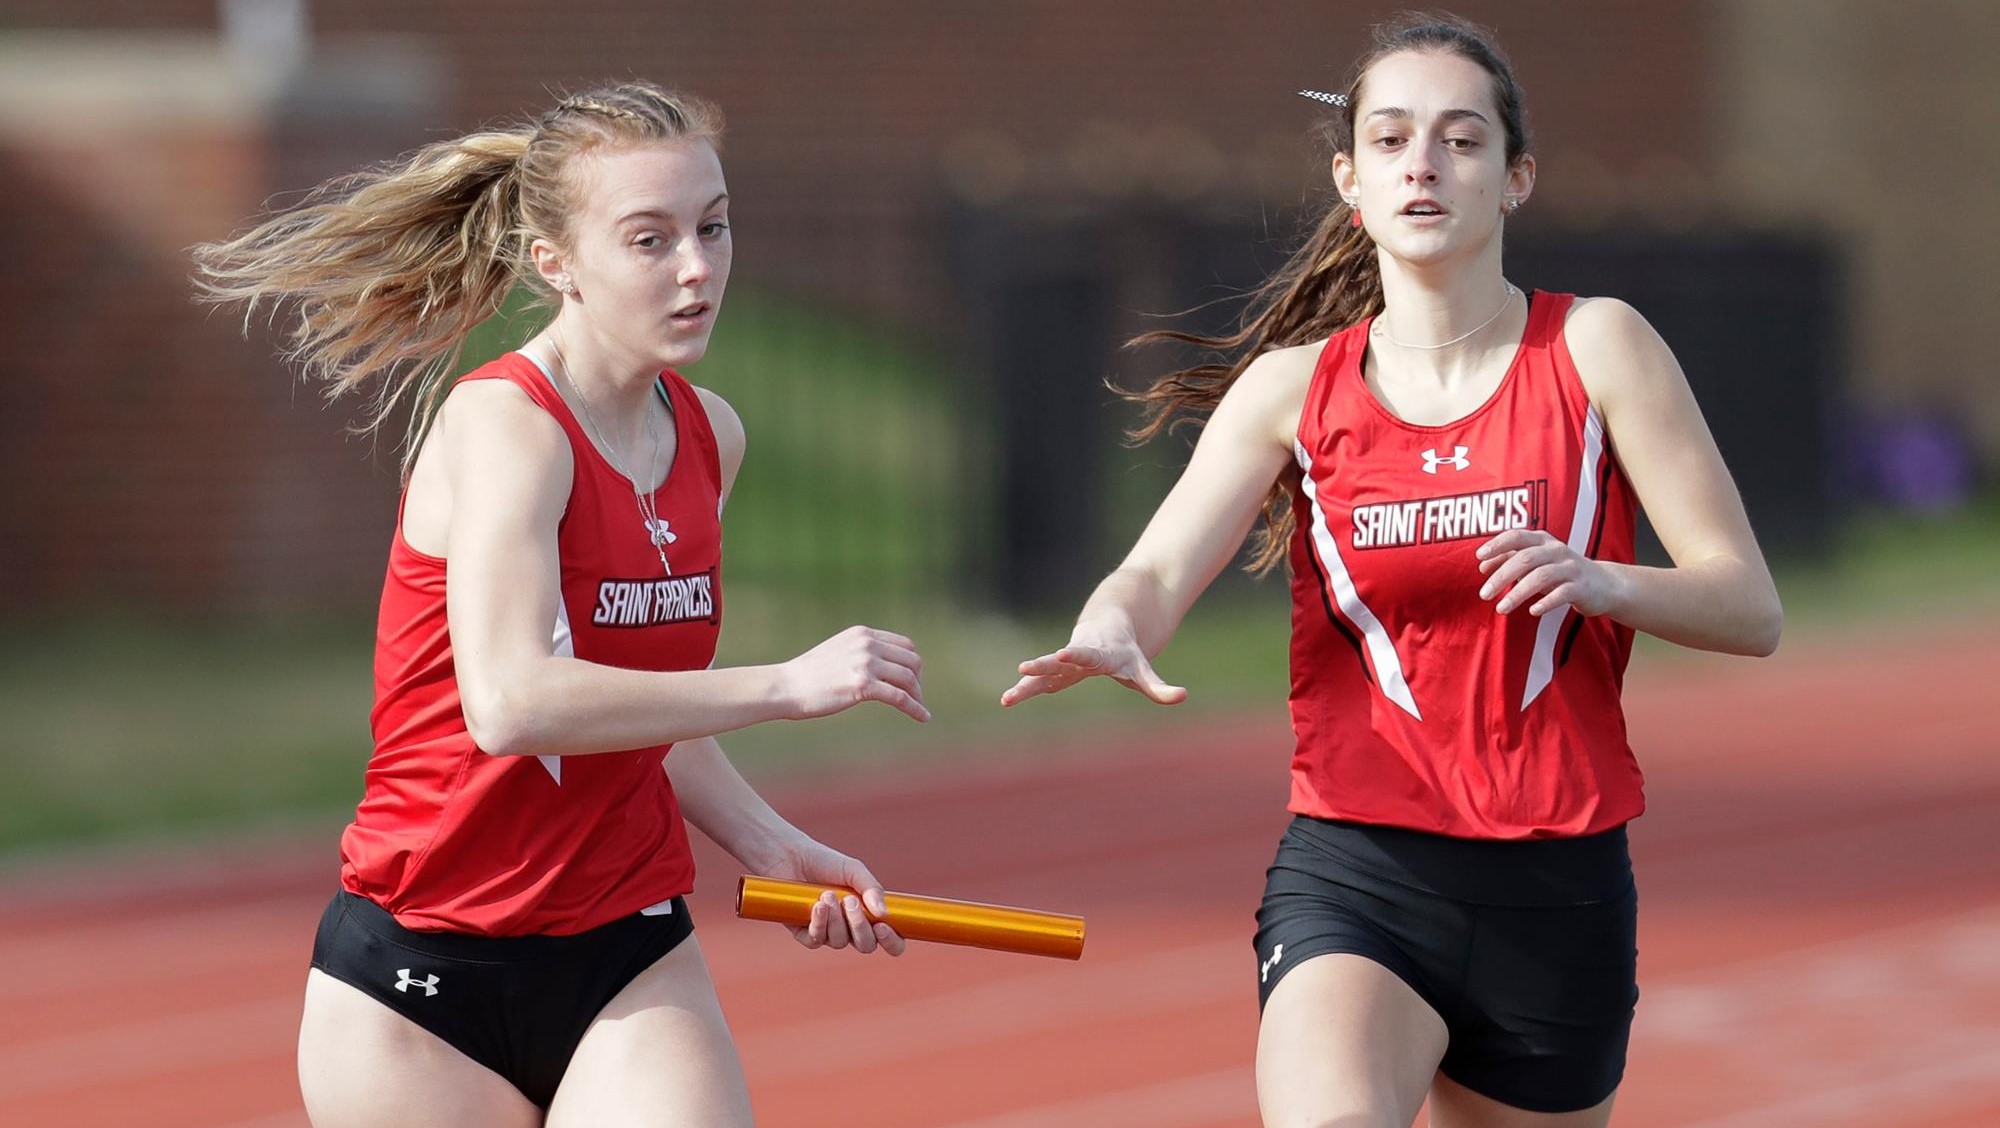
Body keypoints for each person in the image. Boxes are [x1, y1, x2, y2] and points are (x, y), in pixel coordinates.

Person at [1001, 14, 1782, 1128]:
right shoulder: (1288, 390)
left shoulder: (1597, 347)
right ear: (1349, 181)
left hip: (1555, 891)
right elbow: (1156, 570)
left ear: (1514, 179)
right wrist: (1116, 623)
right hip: (1358, 870)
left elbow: (1747, 608)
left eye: (1460, 141)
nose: (1422, 163)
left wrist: (1600, 580)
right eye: (1390, 139)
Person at [195, 82, 925, 1127]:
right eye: (648, 239)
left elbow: (641, 706)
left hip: (625, 948)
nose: (696, 267)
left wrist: (768, 843)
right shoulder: (507, 427)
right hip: (424, 973)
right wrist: (782, 686)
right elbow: (512, 704)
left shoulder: (709, 434)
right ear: (554, 261)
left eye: (712, 227)